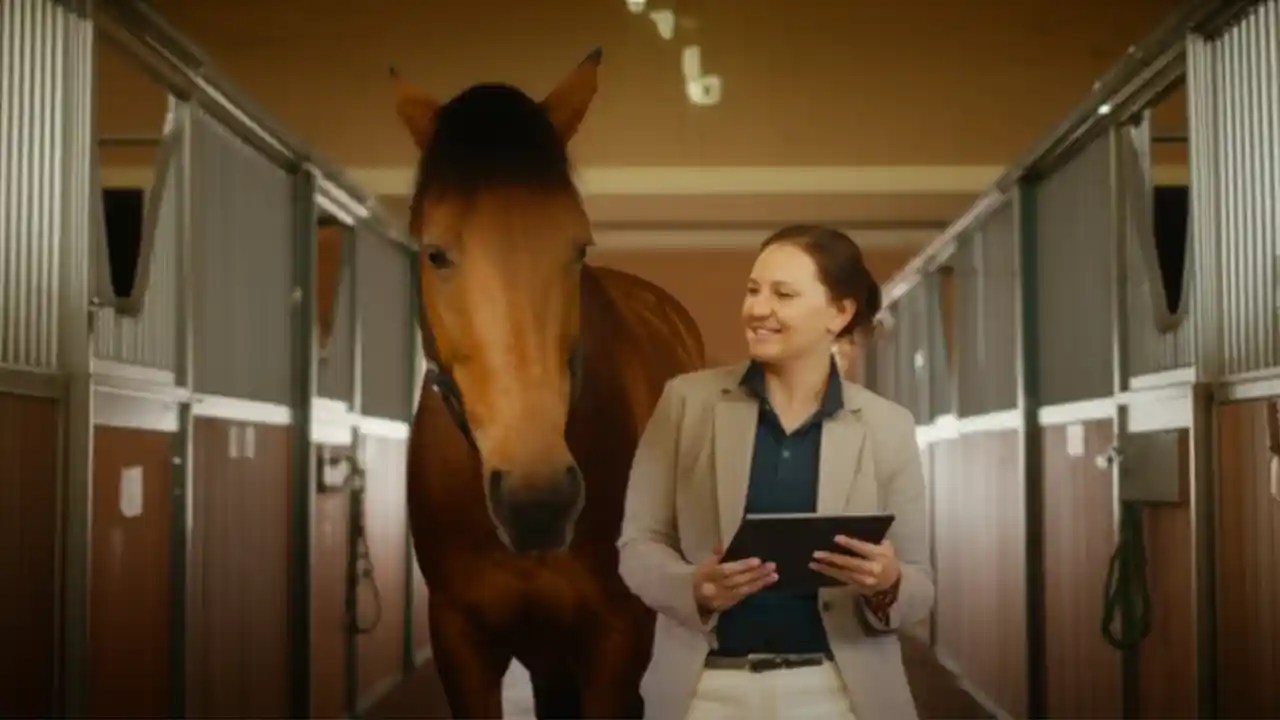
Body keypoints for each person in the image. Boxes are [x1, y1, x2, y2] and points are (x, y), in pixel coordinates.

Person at [617, 225, 933, 720]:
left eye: (783, 294)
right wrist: (692, 587)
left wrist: (887, 581)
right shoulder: (685, 402)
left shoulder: (888, 426)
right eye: (753, 290)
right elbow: (637, 546)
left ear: (840, 312)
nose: (758, 308)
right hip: (704, 693)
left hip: (839, 694)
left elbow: (919, 585)